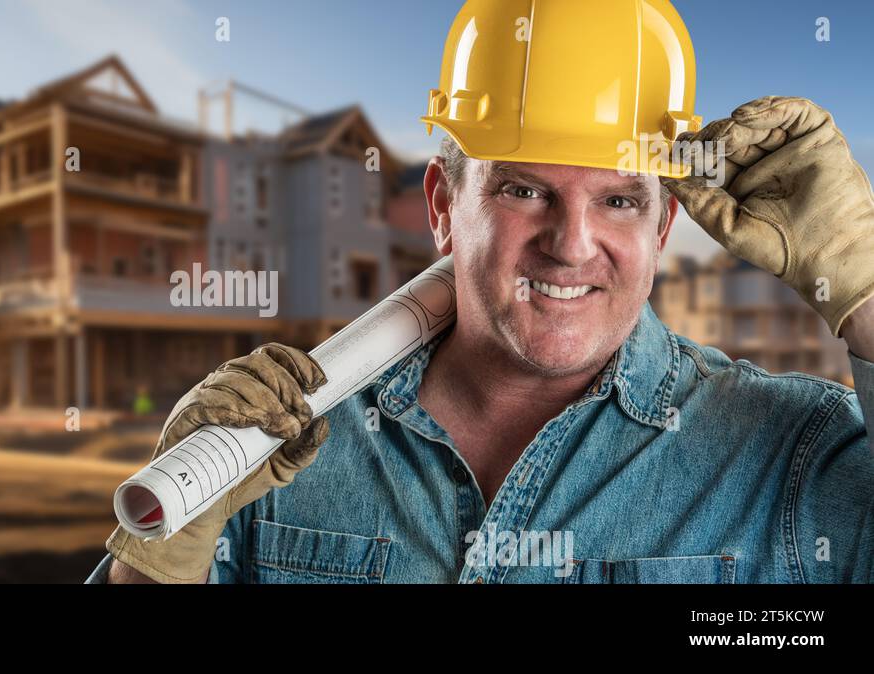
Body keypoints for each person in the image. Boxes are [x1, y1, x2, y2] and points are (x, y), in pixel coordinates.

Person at [87, 0, 874, 583]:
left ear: (663, 227)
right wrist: (160, 554)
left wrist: (865, 291)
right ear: (441, 206)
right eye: (525, 191)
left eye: (620, 200)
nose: (571, 246)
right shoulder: (280, 451)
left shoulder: (793, 454)